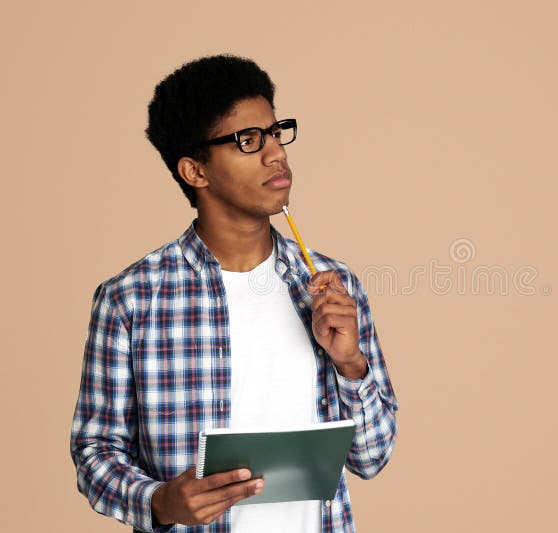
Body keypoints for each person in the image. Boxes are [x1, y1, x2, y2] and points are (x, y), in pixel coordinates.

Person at [70, 54, 399, 533]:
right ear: (195, 172)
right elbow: (95, 451)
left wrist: (352, 366)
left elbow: (371, 457)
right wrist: (160, 501)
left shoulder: (329, 285)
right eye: (247, 141)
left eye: (274, 132)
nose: (275, 154)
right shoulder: (131, 300)